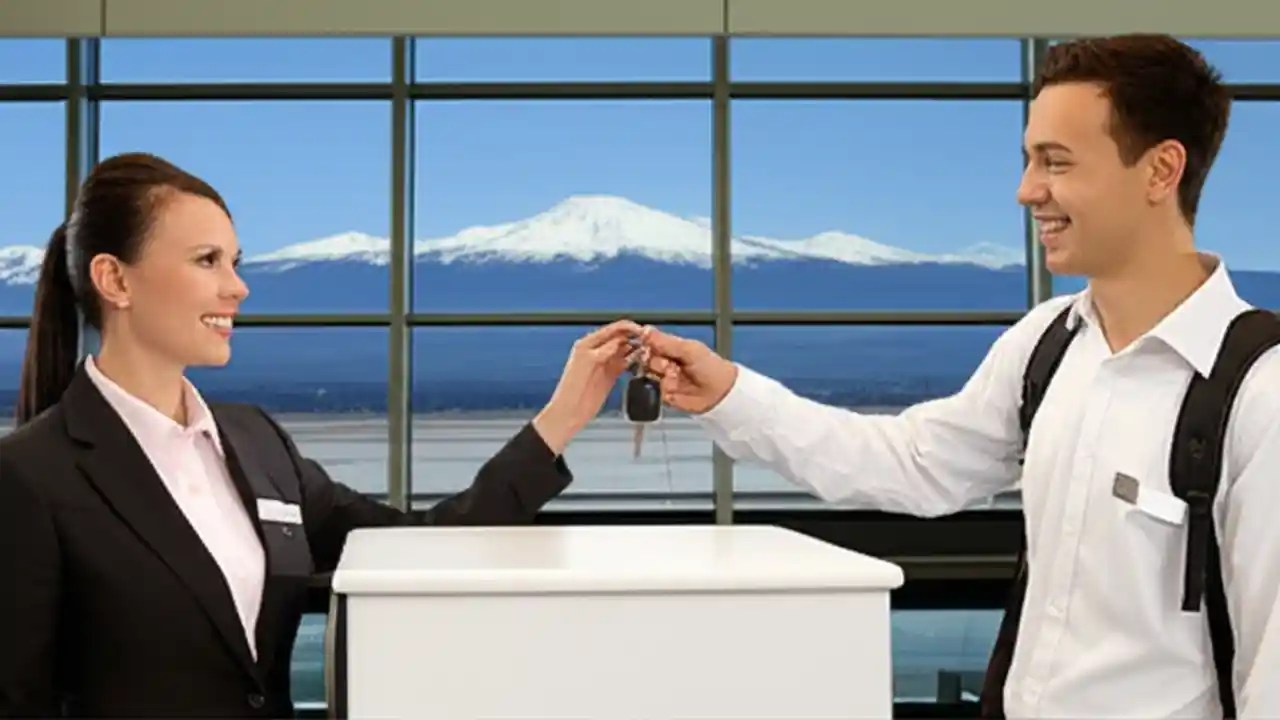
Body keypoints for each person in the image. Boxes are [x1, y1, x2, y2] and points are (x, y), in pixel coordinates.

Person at [639, 34, 1280, 719]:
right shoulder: (1047, 344)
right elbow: (912, 464)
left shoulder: (1259, 391)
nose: (1027, 190)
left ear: (1160, 172)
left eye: (1055, 162)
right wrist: (731, 394)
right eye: (1029, 160)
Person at [0, 151, 643, 718]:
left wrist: (562, 419)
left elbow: (420, 546)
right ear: (115, 280)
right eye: (207, 260)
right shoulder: (30, 475)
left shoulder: (257, 443)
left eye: (235, 260)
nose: (238, 286)